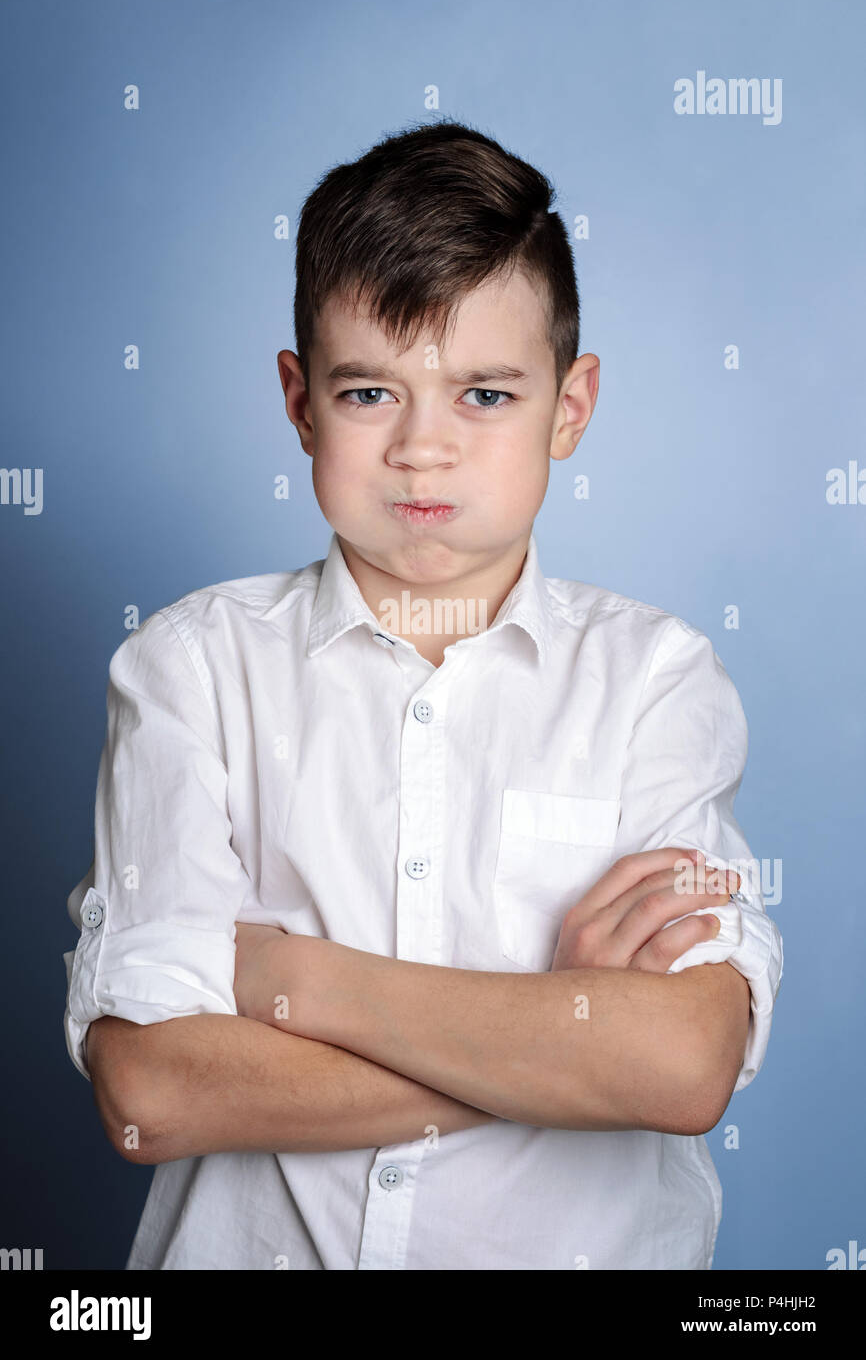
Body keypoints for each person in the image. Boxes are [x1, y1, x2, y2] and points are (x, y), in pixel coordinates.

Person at [63, 119, 783, 1270]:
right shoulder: (189, 668)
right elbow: (155, 1088)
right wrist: (551, 1033)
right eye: (367, 393)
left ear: (570, 404)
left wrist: (294, 978)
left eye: (485, 395)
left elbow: (680, 1065)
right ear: (298, 401)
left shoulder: (657, 678)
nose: (422, 450)